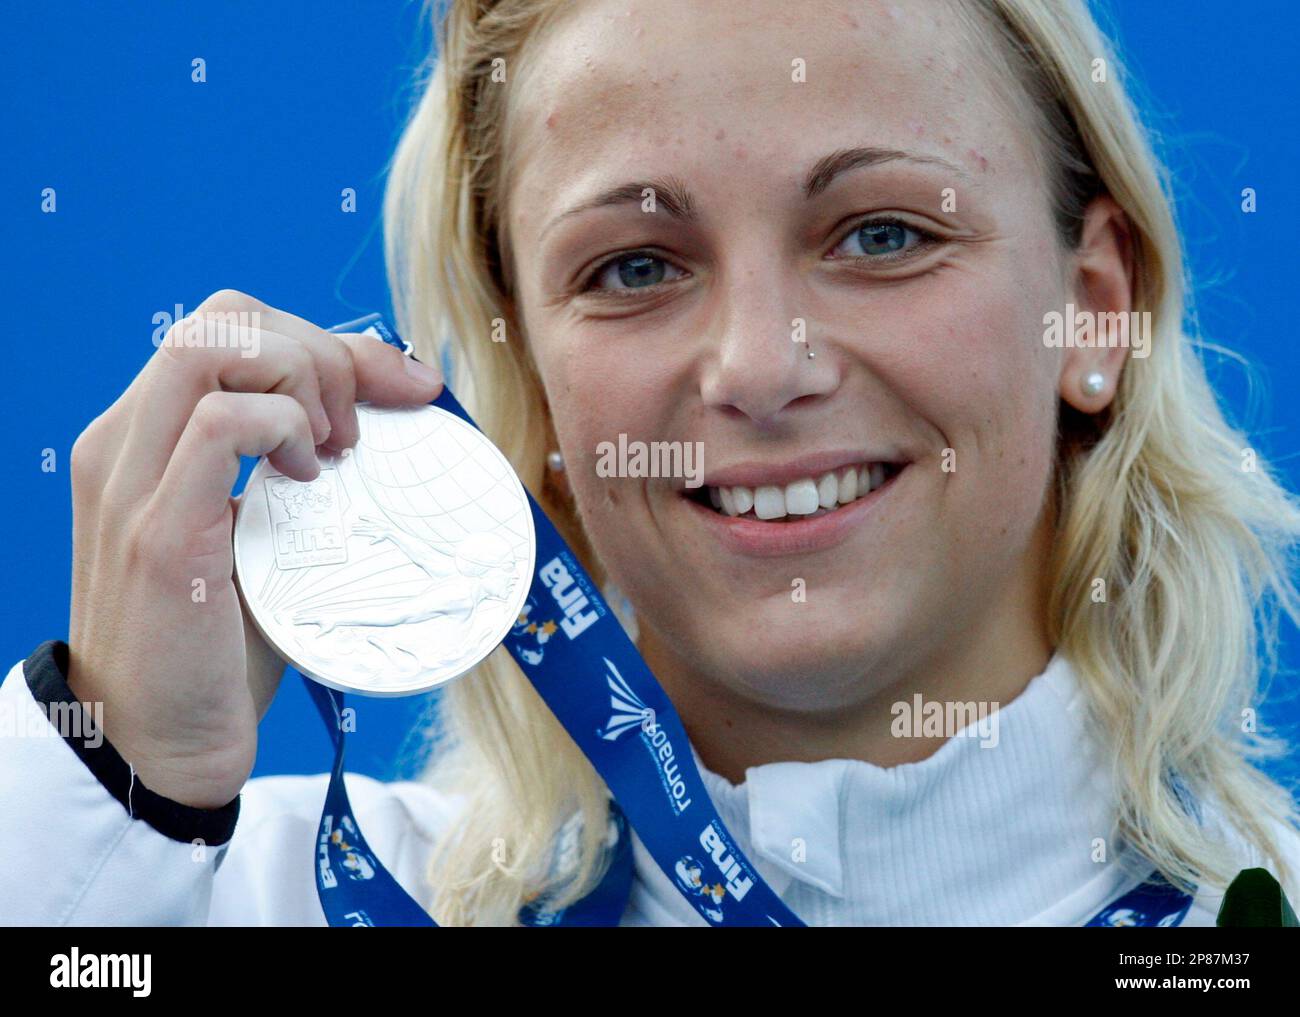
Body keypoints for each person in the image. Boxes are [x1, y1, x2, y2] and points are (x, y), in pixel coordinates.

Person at [3, 0, 1299, 927]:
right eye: (634, 267)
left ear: (1092, 312)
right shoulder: (235, 903)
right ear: (533, 393)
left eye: (883, 234)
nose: (758, 365)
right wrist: (119, 788)